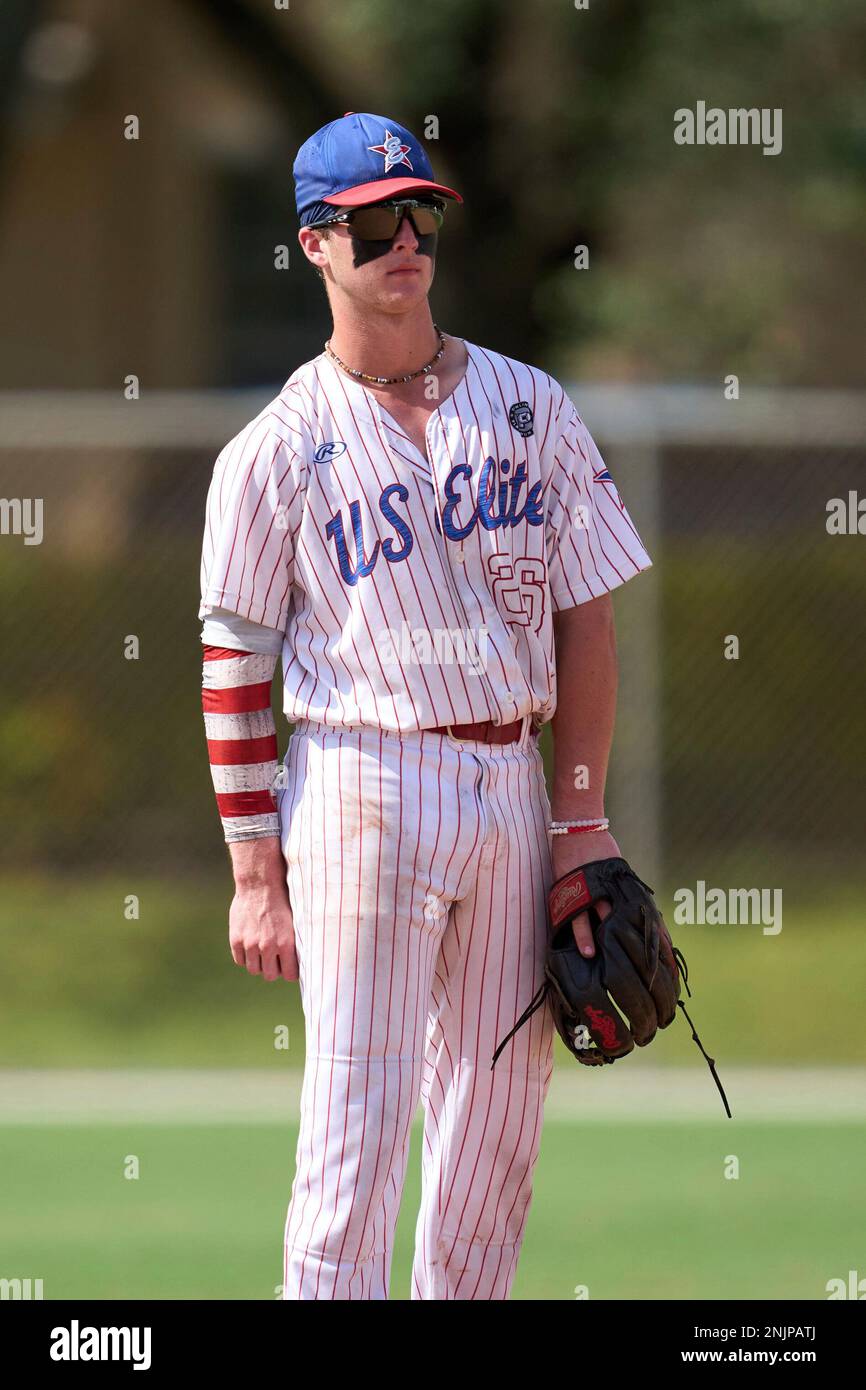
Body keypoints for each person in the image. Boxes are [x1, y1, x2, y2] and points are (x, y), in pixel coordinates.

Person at [198, 112, 652, 1300]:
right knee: (356, 1123)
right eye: (373, 221)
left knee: (497, 1135)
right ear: (313, 244)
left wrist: (581, 819)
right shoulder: (274, 448)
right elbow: (234, 662)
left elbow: (586, 615)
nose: (405, 239)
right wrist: (254, 871)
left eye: (422, 214)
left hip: (509, 775)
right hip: (360, 779)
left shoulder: (528, 405)